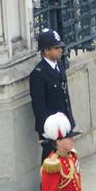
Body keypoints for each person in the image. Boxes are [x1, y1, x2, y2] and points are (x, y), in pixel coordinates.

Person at [29, 29, 73, 159]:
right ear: (46, 51)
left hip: (64, 123)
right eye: (56, 47)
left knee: (67, 161)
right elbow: (38, 105)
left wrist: (70, 120)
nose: (60, 50)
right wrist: (46, 131)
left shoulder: (59, 65)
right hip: (51, 128)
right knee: (51, 161)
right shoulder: (38, 74)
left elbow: (65, 95)